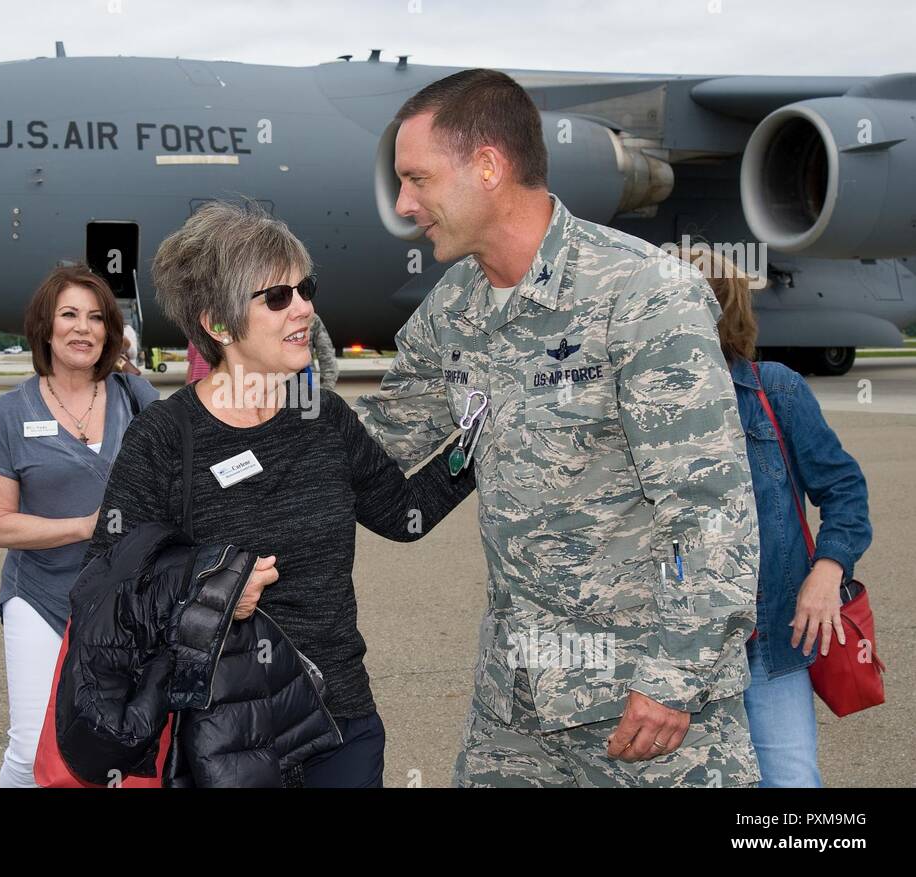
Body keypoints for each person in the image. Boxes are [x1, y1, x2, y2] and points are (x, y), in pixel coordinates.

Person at [356, 69, 761, 787]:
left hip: (644, 708)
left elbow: (709, 511)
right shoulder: (456, 307)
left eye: (417, 178)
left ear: (487, 166)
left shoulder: (641, 294)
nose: (404, 203)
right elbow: (374, 444)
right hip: (515, 707)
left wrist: (673, 678)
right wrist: (233, 406)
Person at [86, 201, 477, 787]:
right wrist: (212, 592)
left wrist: (478, 445)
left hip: (341, 720)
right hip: (229, 735)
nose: (304, 308)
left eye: (305, 288)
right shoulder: (167, 437)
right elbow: (104, 585)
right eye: (277, 297)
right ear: (218, 325)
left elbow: (404, 515)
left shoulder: (321, 414)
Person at [682, 246, 871, 787]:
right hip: (676, 654)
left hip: (770, 644)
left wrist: (829, 570)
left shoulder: (776, 390)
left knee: (790, 790)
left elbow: (844, 489)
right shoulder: (635, 402)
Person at [0, 265, 159, 788]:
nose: (84, 328)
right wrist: (86, 526)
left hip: (127, 599)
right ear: (45, 328)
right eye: (70, 315)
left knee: (118, 742)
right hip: (41, 596)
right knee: (33, 745)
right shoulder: (11, 412)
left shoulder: (137, 398)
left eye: (97, 317)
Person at [309, 314, 339, 389]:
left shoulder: (310, 317)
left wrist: (328, 387)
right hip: (278, 381)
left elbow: (325, 352)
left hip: (307, 380)